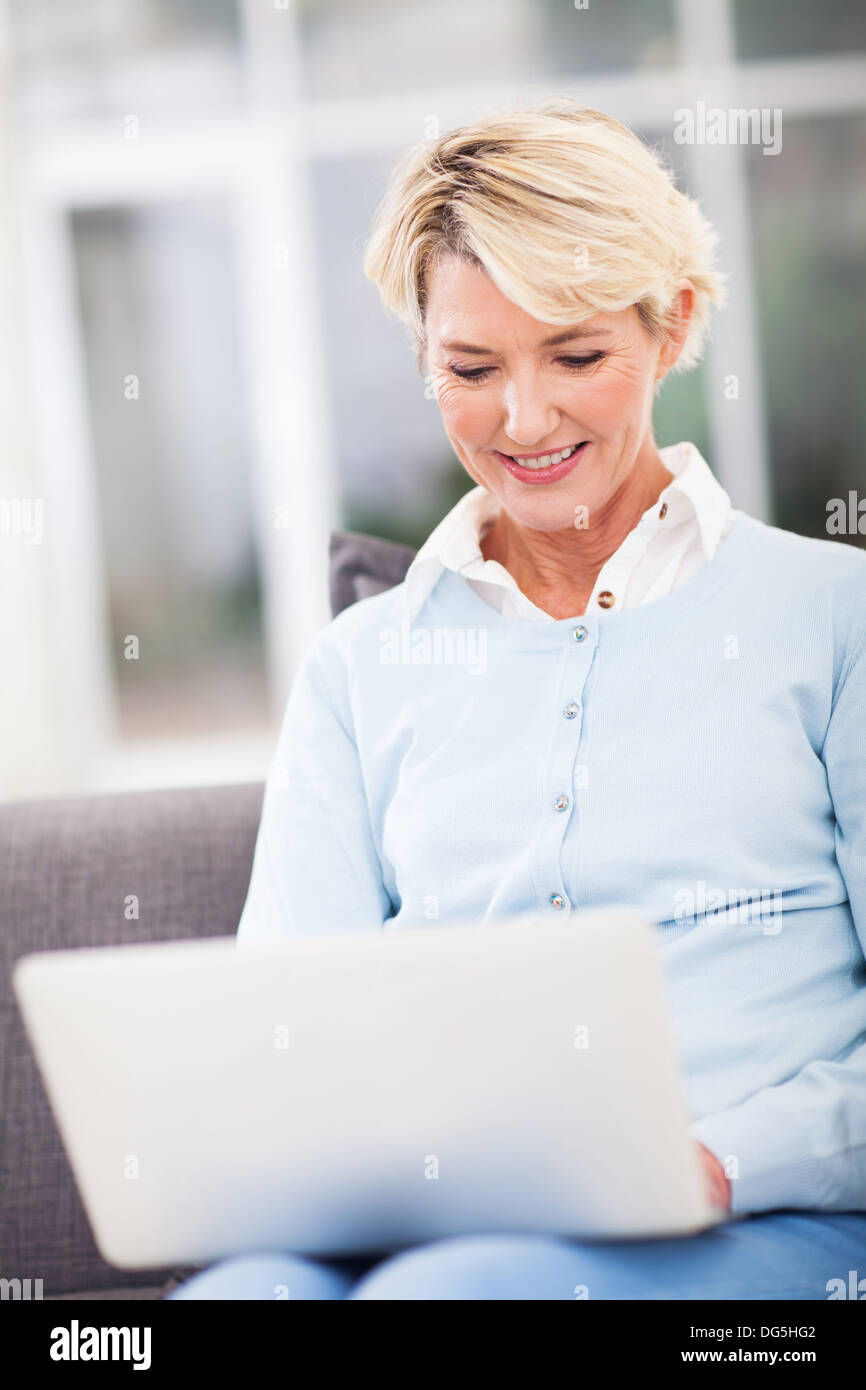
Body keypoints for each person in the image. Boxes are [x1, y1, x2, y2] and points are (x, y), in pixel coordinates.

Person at [168, 100, 866, 1299]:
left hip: (756, 1230)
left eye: (578, 357)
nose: (524, 420)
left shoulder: (832, 618)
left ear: (673, 324)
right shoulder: (360, 667)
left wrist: (718, 1162)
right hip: (430, 1224)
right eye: (471, 369)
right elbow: (281, 1035)